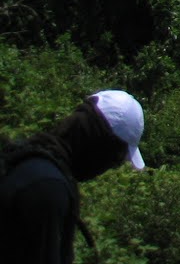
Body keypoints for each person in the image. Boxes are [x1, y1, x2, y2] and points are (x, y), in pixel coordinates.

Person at [0, 90, 144, 264]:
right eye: (114, 159)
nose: (109, 168)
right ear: (100, 146)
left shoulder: (28, 160)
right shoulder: (48, 188)